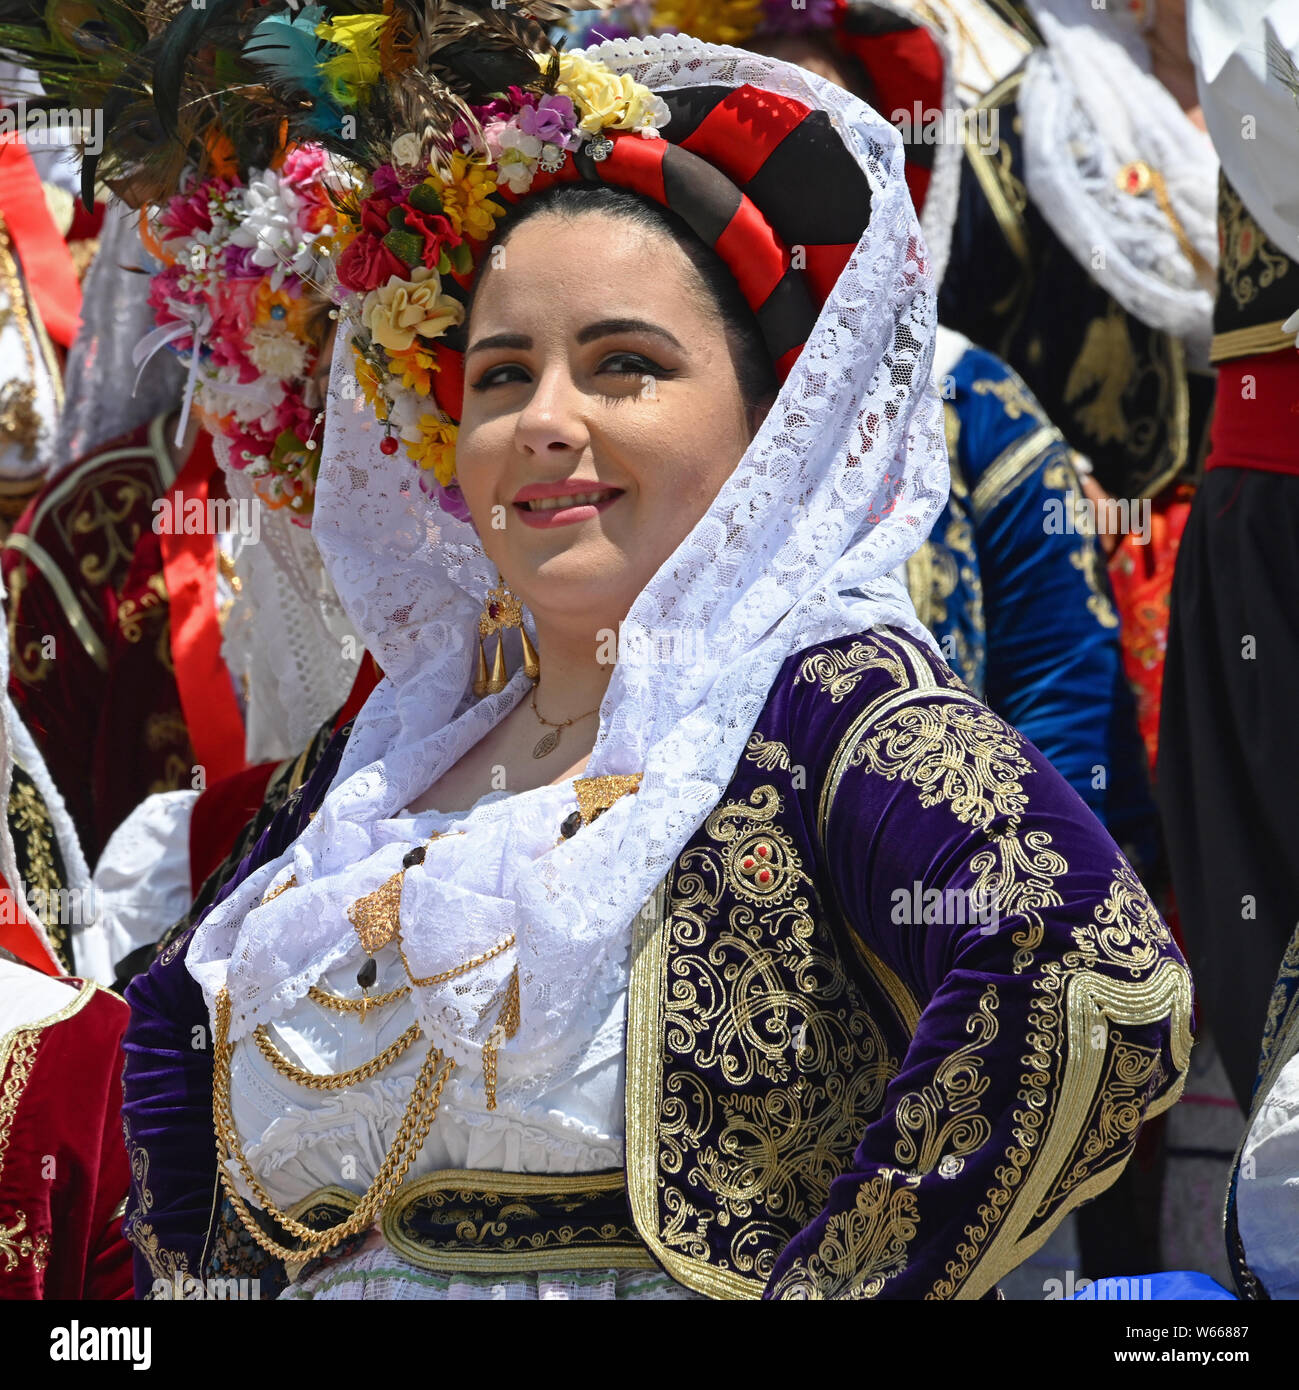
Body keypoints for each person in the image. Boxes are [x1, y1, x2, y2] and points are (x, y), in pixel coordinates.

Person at [121, 16, 1190, 1300]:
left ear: (766, 424)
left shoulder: (820, 705)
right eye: (502, 376)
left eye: (626, 366)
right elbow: (165, 1035)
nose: (547, 423)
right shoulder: (380, 764)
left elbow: (1083, 966)